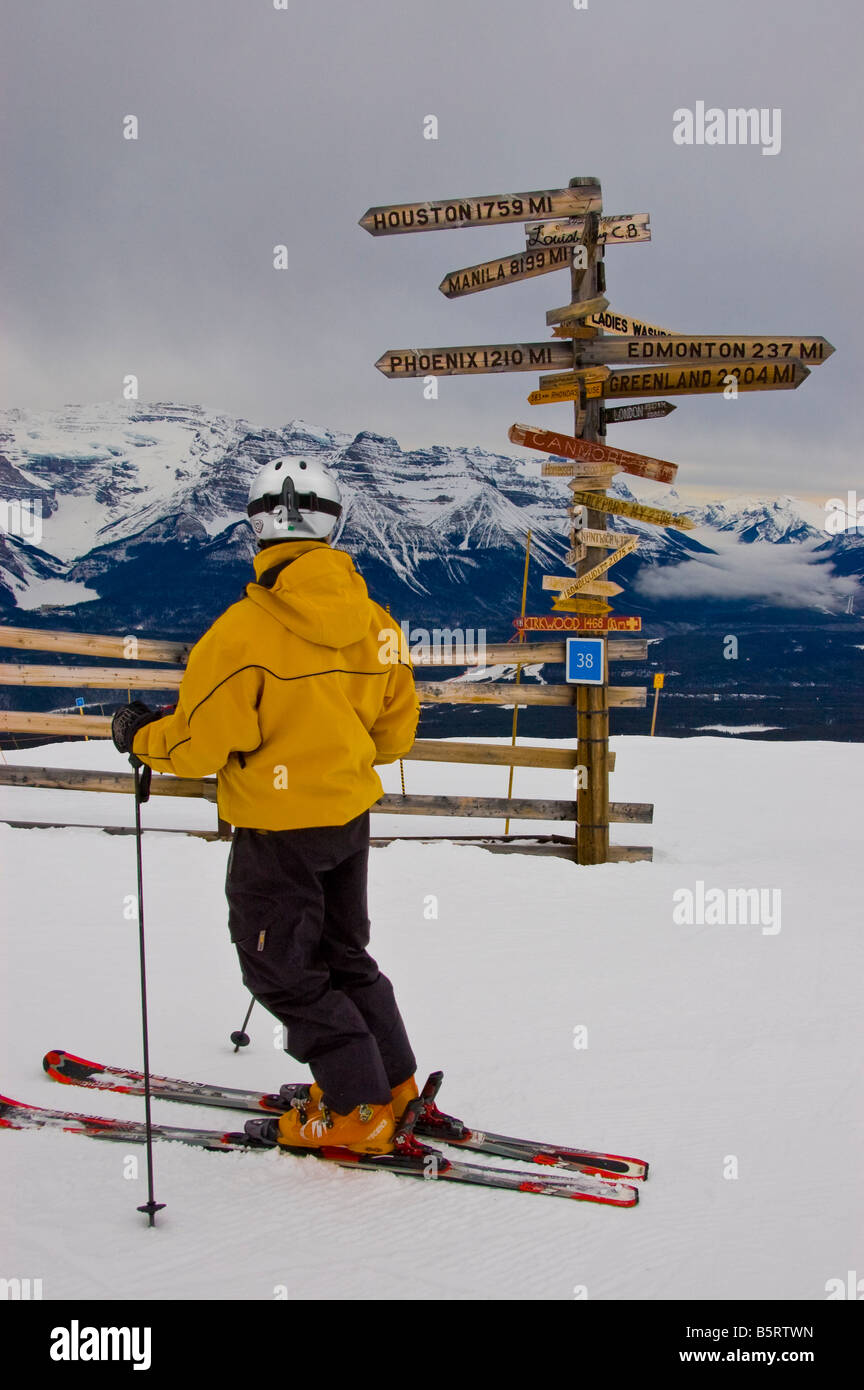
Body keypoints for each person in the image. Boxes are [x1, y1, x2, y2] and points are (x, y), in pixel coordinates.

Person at [111, 456, 421, 1154]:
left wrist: (139, 736)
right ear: (334, 527)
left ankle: (356, 1109)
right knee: (344, 953)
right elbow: (395, 733)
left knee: (281, 969)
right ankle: (392, 1084)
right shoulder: (377, 624)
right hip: (347, 817)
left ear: (258, 527)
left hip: (277, 831)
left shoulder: (241, 633)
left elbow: (195, 744)